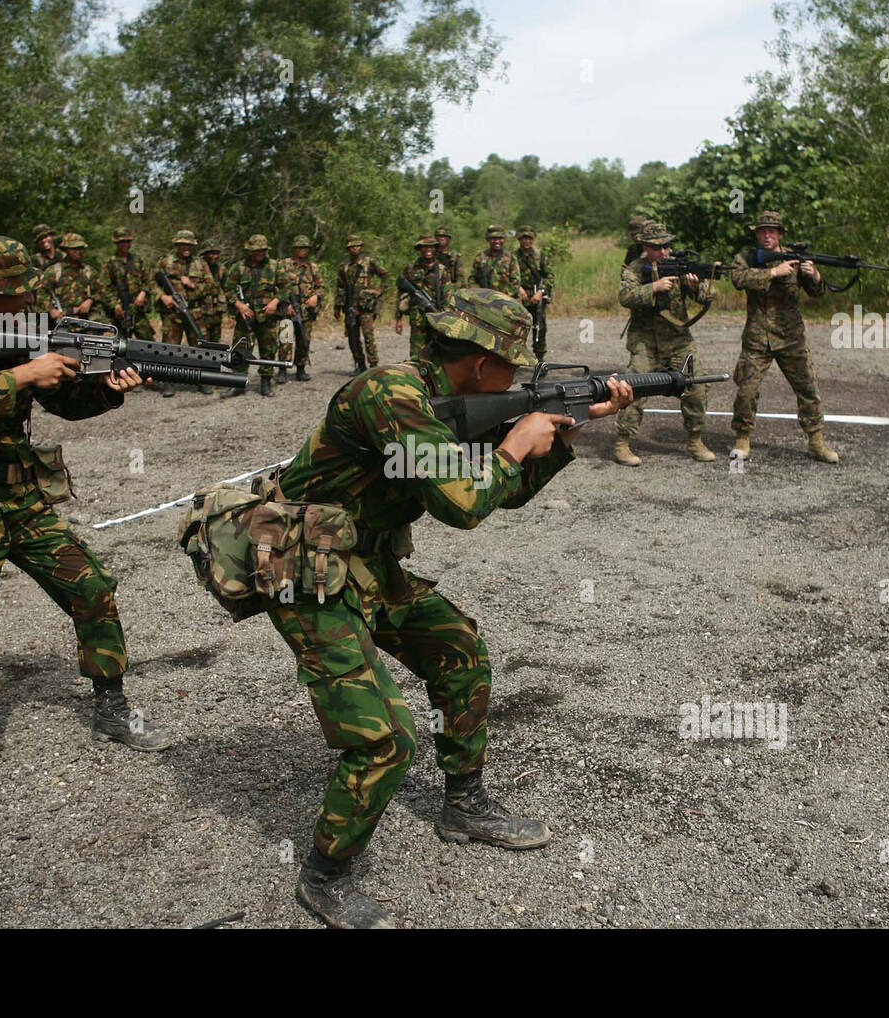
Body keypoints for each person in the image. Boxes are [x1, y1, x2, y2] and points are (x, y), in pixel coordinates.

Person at [258, 287, 633, 928]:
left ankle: (463, 804)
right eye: (512, 365)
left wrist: (566, 434)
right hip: (303, 568)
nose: (516, 376)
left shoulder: (440, 399)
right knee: (384, 738)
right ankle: (326, 876)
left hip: (364, 561)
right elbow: (463, 506)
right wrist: (515, 444)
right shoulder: (391, 395)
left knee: (459, 649)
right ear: (483, 365)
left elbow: (499, 495)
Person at [0, 235, 168, 771]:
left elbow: (66, 405)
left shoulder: (29, 334)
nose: (21, 304)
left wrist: (110, 388)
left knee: (91, 588)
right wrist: (25, 373)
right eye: (9, 295)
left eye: (24, 294)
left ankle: (111, 703)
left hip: (23, 499)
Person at [728, 210, 838, 463]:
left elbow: (817, 293)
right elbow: (737, 278)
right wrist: (773, 273)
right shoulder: (747, 256)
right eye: (762, 231)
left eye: (771, 231)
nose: (766, 235)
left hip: (790, 338)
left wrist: (814, 275)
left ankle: (816, 440)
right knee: (747, 391)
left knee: (808, 390)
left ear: (779, 234)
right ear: (756, 234)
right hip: (757, 338)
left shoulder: (795, 258)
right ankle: (742, 437)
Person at [614, 222, 717, 464]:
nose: (663, 252)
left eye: (666, 246)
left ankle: (695, 440)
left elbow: (709, 295)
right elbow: (625, 296)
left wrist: (696, 286)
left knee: (696, 388)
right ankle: (622, 442)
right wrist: (654, 287)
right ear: (645, 247)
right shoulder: (635, 269)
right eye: (656, 247)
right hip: (645, 343)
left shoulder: (679, 266)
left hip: (679, 341)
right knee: (633, 388)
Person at [225, 234, 290, 397]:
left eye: (263, 250)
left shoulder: (275, 266)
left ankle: (266, 382)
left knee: (268, 348)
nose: (260, 253)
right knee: (240, 348)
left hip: (267, 315)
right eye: (256, 250)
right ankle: (237, 383)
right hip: (245, 315)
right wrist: (238, 305)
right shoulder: (238, 267)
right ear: (249, 251)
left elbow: (285, 288)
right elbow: (228, 289)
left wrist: (275, 302)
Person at [153, 229, 208, 397]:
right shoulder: (164, 262)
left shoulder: (201, 264)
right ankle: (168, 382)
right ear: (176, 245)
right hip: (172, 313)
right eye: (183, 244)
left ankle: (202, 380)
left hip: (195, 311)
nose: (186, 248)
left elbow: (211, 286)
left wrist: (193, 285)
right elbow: (151, 282)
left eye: (189, 245)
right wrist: (162, 296)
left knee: (199, 346)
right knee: (169, 348)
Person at [334, 235, 390, 373]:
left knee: (368, 335)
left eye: (358, 246)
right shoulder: (344, 267)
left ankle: (373, 364)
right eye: (352, 246)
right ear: (348, 249)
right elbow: (340, 287)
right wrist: (337, 307)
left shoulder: (368, 263)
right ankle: (360, 364)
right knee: (353, 338)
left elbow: (386, 275)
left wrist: (378, 291)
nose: (355, 249)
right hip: (350, 307)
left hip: (366, 307)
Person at [394, 235, 448, 359]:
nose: (428, 250)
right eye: (424, 247)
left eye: (431, 247)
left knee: (438, 354)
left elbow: (448, 296)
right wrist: (398, 318)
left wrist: (445, 318)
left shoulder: (442, 270)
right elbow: (400, 293)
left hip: (436, 318)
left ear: (435, 248)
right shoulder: (410, 268)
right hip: (417, 319)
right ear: (419, 248)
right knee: (416, 355)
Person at [281, 235, 324, 381]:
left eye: (305, 248)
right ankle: (282, 369)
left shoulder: (312, 268)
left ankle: (301, 368)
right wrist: (285, 304)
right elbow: (276, 286)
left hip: (305, 311)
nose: (302, 251)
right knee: (285, 340)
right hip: (287, 310)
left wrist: (316, 297)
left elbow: (321, 287)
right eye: (299, 248)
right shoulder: (284, 265)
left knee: (304, 339)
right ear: (294, 249)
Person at [99, 227, 153, 342]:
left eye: (127, 241)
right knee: (120, 346)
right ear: (116, 243)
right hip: (120, 313)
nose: (125, 244)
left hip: (138, 311)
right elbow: (105, 288)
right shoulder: (109, 263)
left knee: (148, 343)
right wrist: (115, 305)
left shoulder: (138, 260)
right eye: (121, 242)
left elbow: (148, 280)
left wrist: (143, 293)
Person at [513, 225, 554, 362]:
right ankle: (515, 358)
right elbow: (508, 276)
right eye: (524, 238)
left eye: (529, 238)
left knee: (539, 328)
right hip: (519, 297)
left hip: (536, 297)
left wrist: (540, 292)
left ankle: (539, 359)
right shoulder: (512, 256)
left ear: (533, 239)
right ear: (519, 239)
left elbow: (550, 276)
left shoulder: (539, 256)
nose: (527, 241)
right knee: (516, 328)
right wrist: (517, 287)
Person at [43, 233, 96, 320]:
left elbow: (101, 292)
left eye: (80, 248)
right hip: (60, 320)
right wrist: (51, 309)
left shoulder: (89, 271)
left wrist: (90, 300)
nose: (78, 252)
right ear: (66, 250)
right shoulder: (54, 271)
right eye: (74, 249)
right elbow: (42, 293)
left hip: (86, 320)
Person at [469, 225, 524, 299]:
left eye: (500, 238)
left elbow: (516, 281)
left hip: (505, 301)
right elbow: (472, 278)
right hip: (483, 300)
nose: (497, 241)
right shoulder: (480, 258)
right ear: (488, 239)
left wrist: (502, 296)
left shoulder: (510, 258)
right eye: (493, 239)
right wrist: (478, 294)